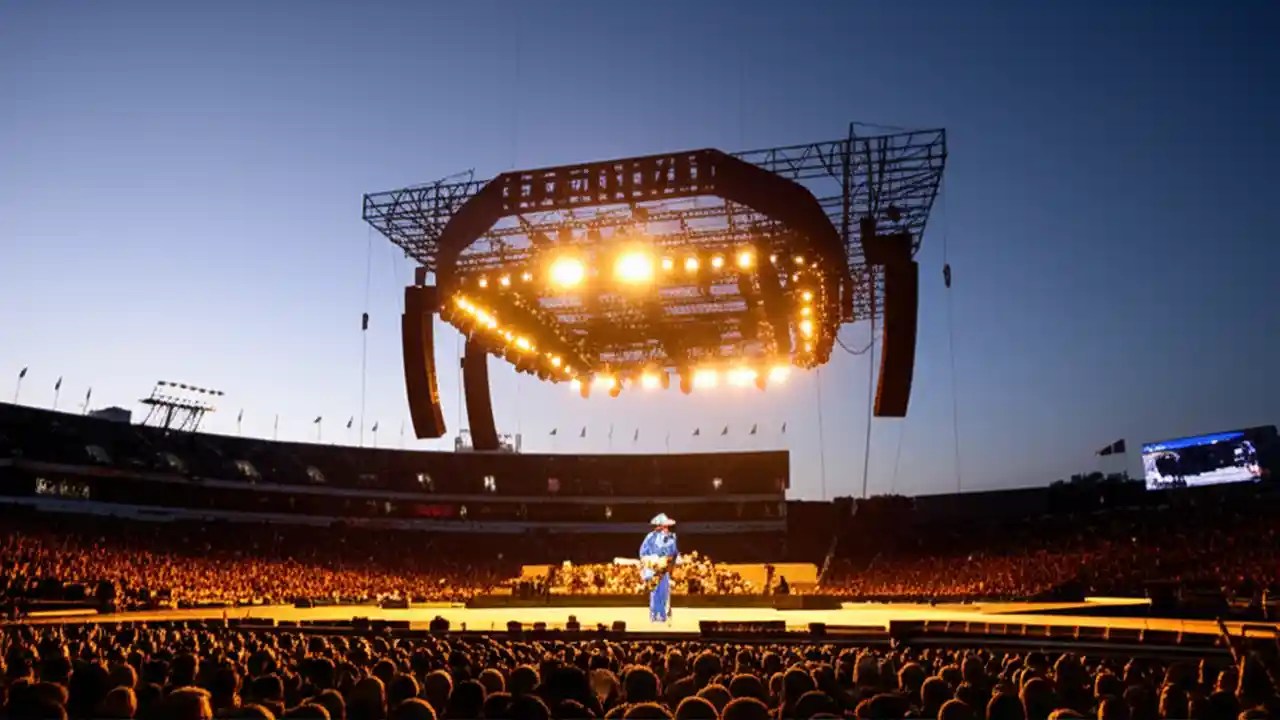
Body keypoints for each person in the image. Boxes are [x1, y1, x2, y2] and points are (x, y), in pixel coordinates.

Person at [640, 513, 679, 623]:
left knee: (664, 592)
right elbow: (643, 553)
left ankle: (662, 615)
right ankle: (654, 614)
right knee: (655, 592)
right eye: (663, 526)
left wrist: (669, 563)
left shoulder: (671, 538)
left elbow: (674, 553)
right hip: (652, 568)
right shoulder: (650, 537)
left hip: (664, 568)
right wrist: (651, 561)